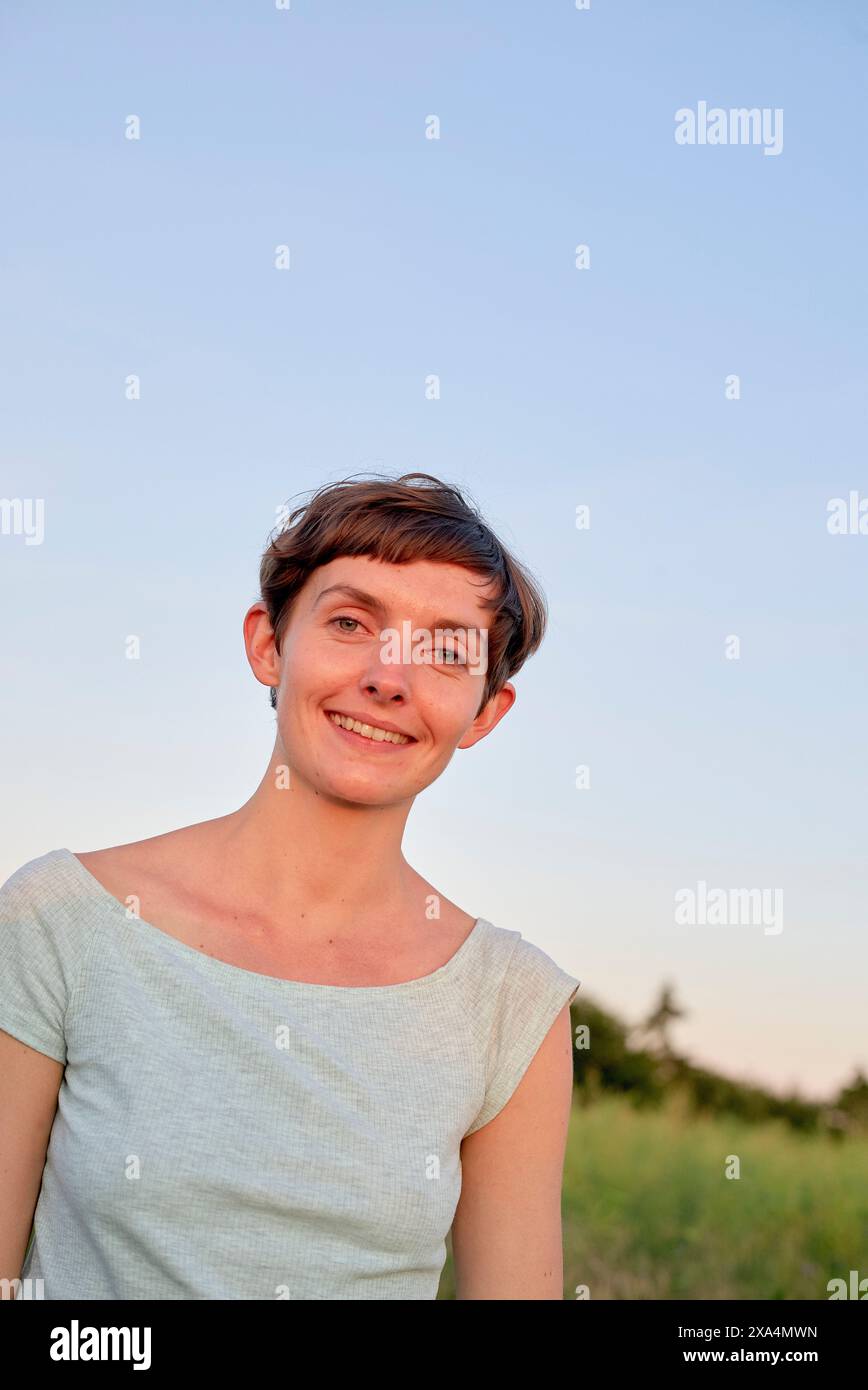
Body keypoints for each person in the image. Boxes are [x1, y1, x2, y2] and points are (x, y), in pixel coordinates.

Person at [0, 471, 580, 1301]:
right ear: (269, 644)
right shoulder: (59, 919)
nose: (390, 678)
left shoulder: (511, 1005)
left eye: (447, 653)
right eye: (351, 622)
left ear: (486, 713)